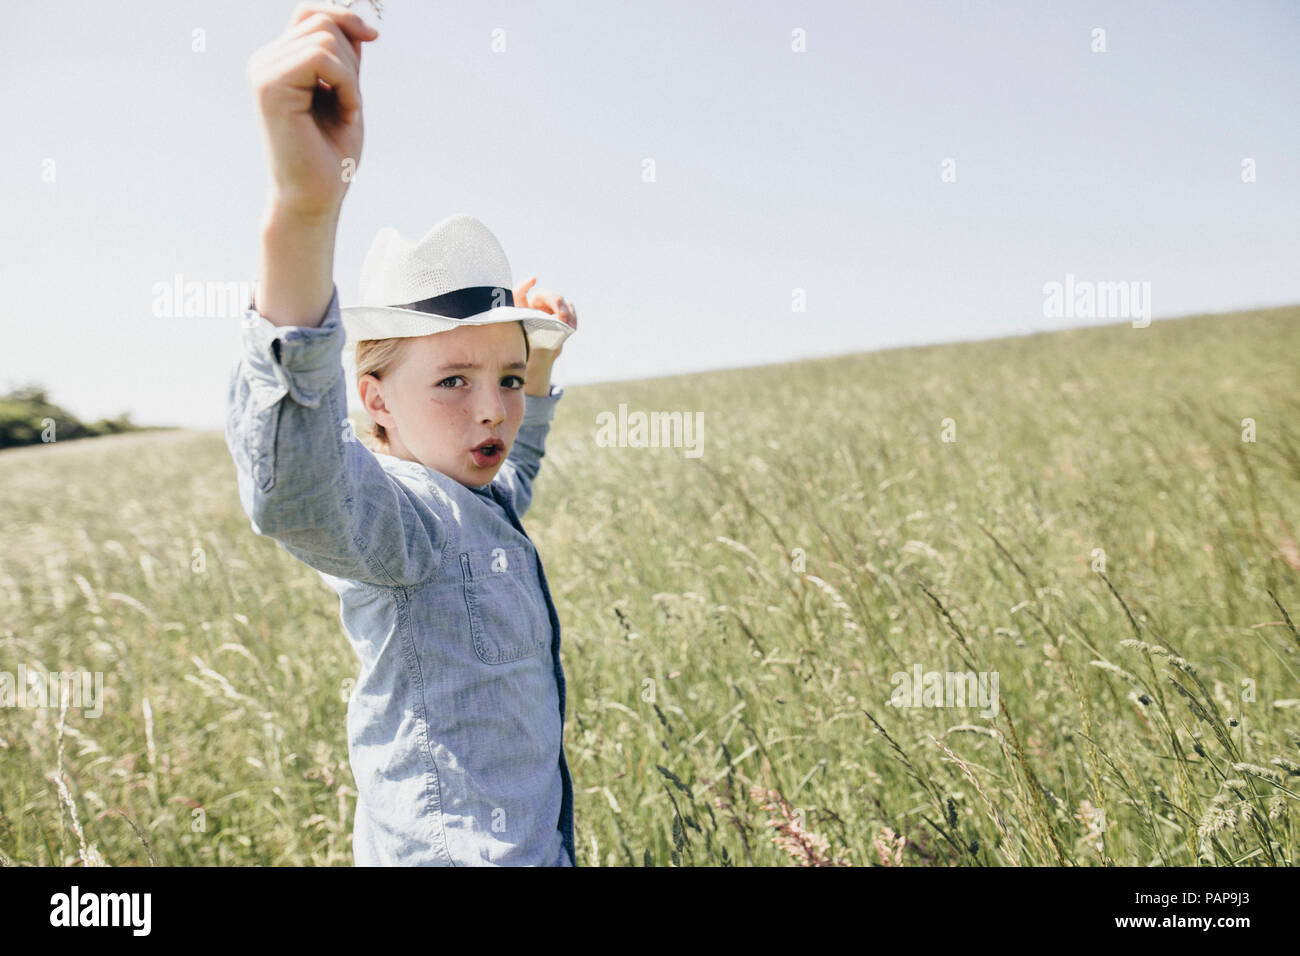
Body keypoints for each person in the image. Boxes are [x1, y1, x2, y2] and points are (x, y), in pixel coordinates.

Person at [225, 2, 579, 865]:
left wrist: (538, 359)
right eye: (452, 382)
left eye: (505, 380)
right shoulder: (406, 524)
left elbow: (514, 469)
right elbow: (295, 495)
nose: (491, 410)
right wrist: (301, 215)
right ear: (375, 400)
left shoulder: (477, 495)